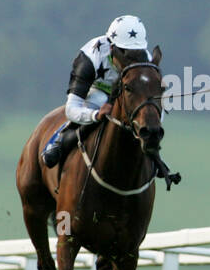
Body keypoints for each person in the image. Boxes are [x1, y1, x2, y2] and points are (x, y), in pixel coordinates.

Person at [41, 15, 151, 168]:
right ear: (112, 48)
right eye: (125, 53)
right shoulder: (90, 58)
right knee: (98, 101)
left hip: (124, 95)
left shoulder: (145, 60)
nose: (132, 60)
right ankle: (60, 141)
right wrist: (95, 115)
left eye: (136, 52)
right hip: (95, 91)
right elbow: (71, 109)